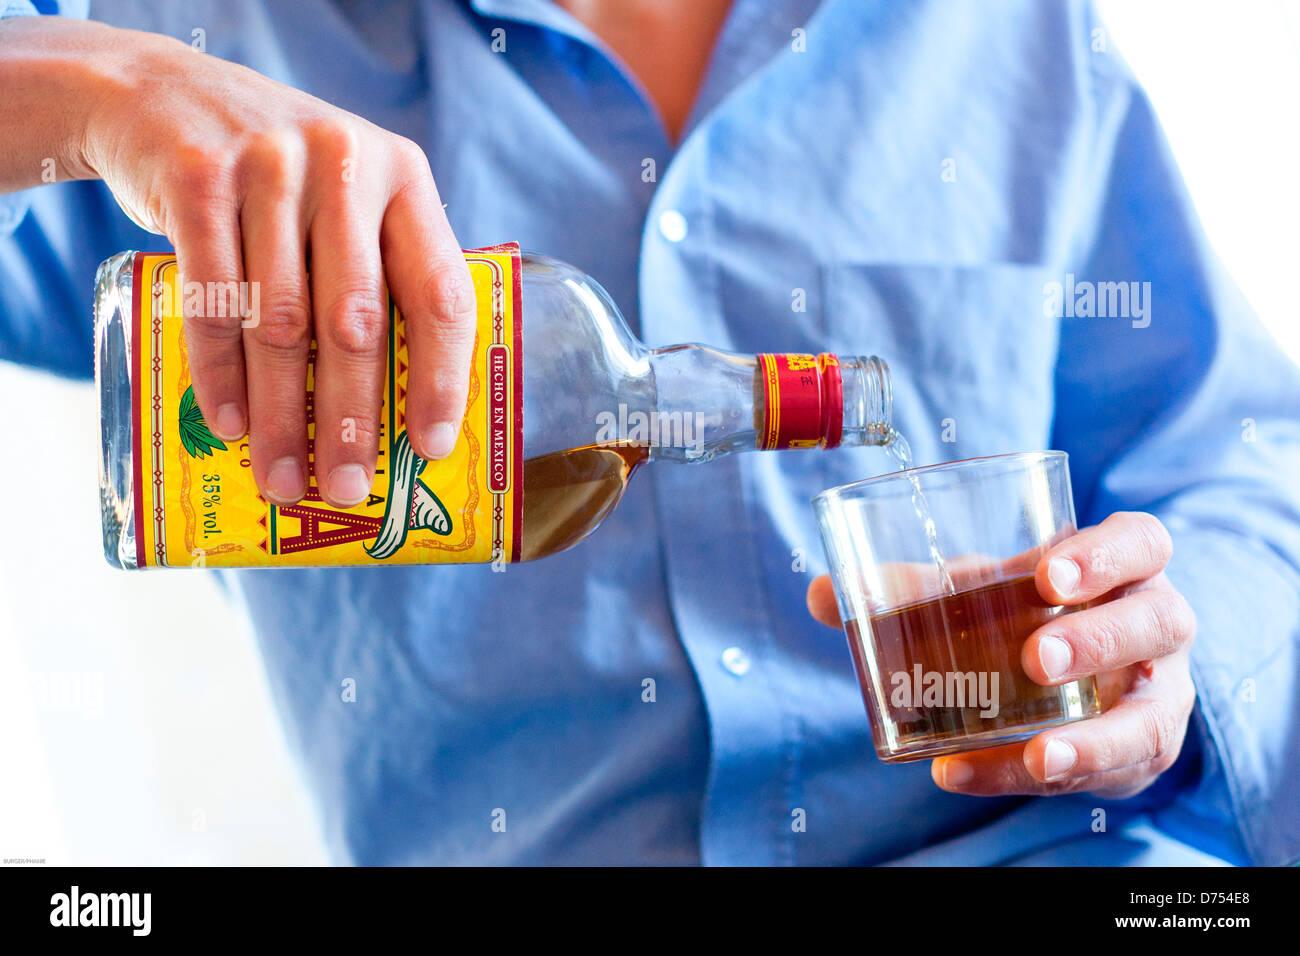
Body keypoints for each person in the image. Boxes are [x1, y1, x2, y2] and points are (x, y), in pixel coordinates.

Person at [1, 0, 1296, 866]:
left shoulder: (1004, 31)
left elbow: (1244, 465)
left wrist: (1163, 650)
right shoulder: (216, 24)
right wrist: (97, 87)